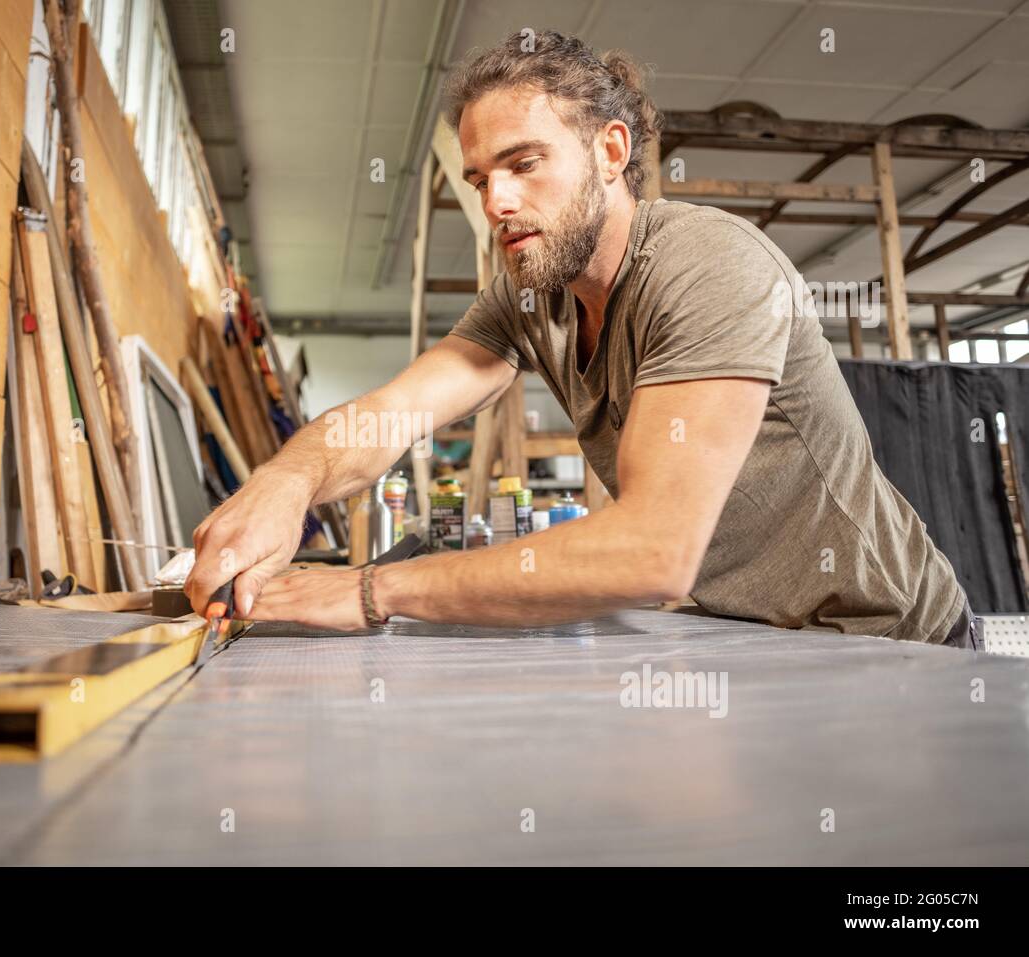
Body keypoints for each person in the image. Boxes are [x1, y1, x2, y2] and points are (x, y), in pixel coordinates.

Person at [185, 30, 976, 648]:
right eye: (480, 178)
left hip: (895, 641)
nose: (497, 200)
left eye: (524, 163)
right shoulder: (531, 297)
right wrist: (284, 483)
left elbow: (650, 550)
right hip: (760, 636)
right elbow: (389, 417)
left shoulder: (709, 266)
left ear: (610, 152)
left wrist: (369, 590)